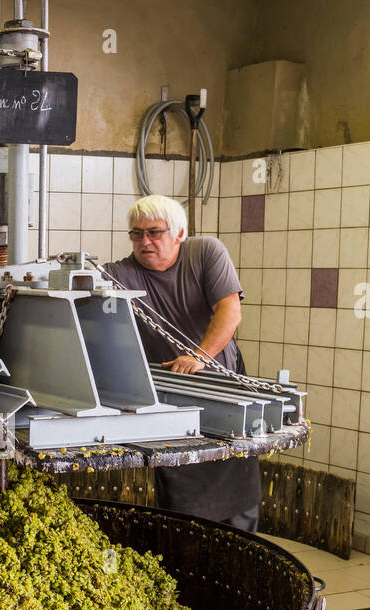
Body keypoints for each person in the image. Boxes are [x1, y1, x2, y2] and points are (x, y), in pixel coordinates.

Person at [105, 193, 261, 532]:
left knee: (237, 478)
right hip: (170, 393)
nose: (144, 241)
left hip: (223, 383)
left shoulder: (206, 252)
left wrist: (199, 357)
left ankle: (240, 552)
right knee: (180, 487)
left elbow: (229, 311)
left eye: (154, 232)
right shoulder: (120, 274)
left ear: (179, 233)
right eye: (136, 234)